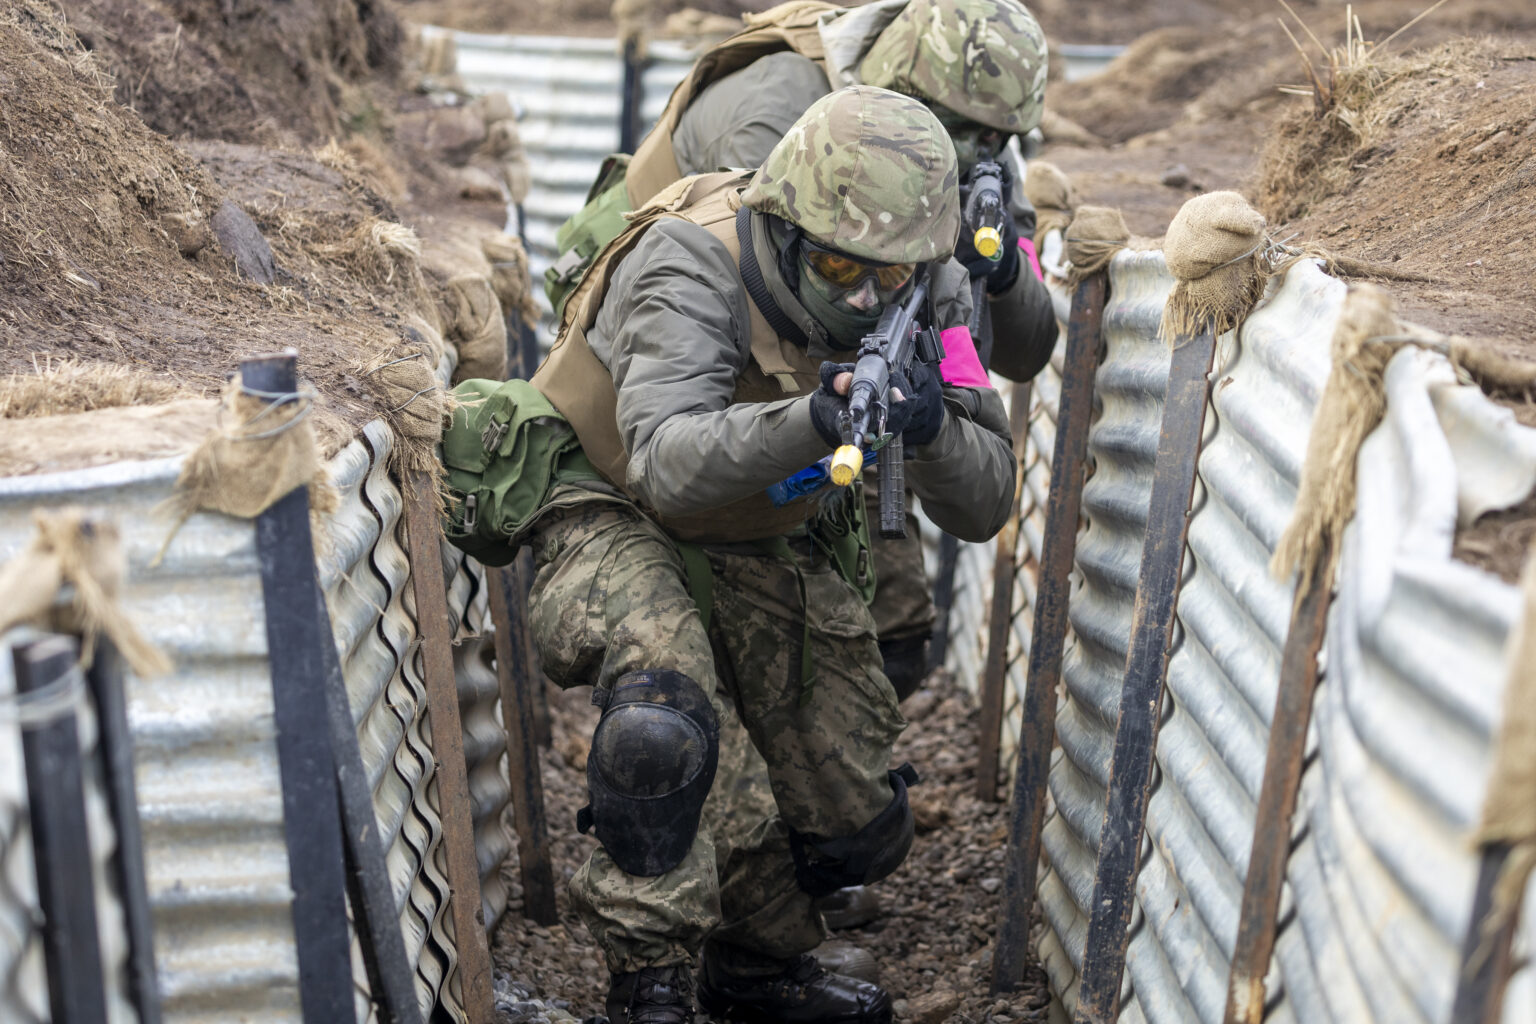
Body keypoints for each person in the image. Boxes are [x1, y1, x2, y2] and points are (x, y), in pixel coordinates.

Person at [520, 87, 1017, 1023]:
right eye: (840, 268)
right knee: (662, 724)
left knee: (858, 833)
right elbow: (665, 465)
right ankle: (650, 978)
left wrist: (928, 426)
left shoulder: (931, 283)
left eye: (891, 276)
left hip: (764, 525)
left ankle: (750, 963)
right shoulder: (689, 258)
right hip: (607, 503)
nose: (869, 298)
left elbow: (989, 499)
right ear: (785, 230)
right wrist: (815, 417)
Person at [549, 0, 1055, 702]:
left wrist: (995, 273)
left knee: (895, 639)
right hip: (686, 352)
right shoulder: (780, 110)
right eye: (960, 127)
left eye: (993, 138)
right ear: (899, 82)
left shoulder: (961, 161)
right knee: (679, 713)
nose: (973, 151)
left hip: (818, 372)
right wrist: (822, 414)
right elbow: (764, 297)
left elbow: (1025, 356)